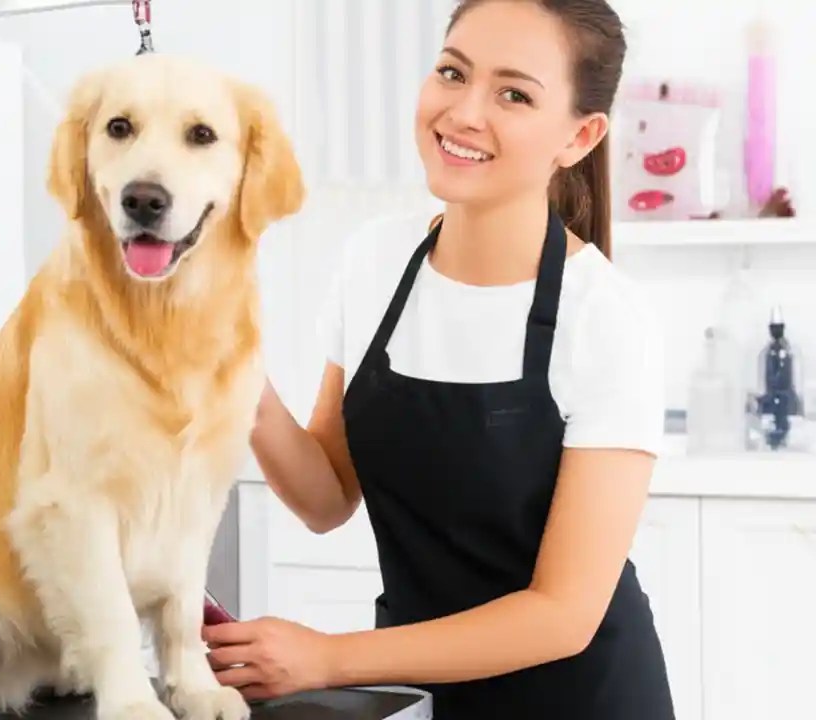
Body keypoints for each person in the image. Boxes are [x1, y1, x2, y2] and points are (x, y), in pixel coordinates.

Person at [203, 0, 676, 717]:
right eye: (452, 73)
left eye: (513, 94)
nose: (463, 112)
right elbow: (326, 497)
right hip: (421, 694)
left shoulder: (606, 317)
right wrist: (235, 373)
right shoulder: (374, 263)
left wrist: (326, 658)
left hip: (581, 698)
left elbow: (562, 612)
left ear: (579, 136)